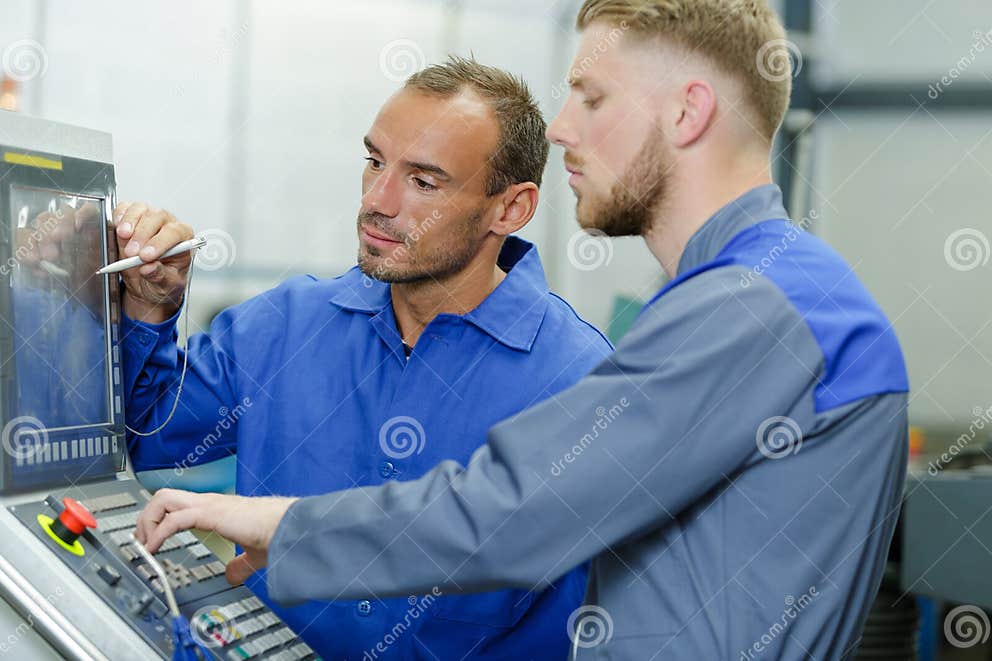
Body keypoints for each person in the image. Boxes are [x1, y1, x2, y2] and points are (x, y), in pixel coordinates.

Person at [137, 1, 911, 658]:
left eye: (592, 98)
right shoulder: (771, 294)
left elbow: (513, 510)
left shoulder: (754, 306)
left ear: (687, 112)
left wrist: (286, 524)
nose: (564, 127)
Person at [118, 57, 611, 659]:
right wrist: (149, 304)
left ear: (509, 209)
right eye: (375, 162)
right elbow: (144, 435)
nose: (378, 200)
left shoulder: (582, 380)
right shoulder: (285, 326)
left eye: (423, 182)